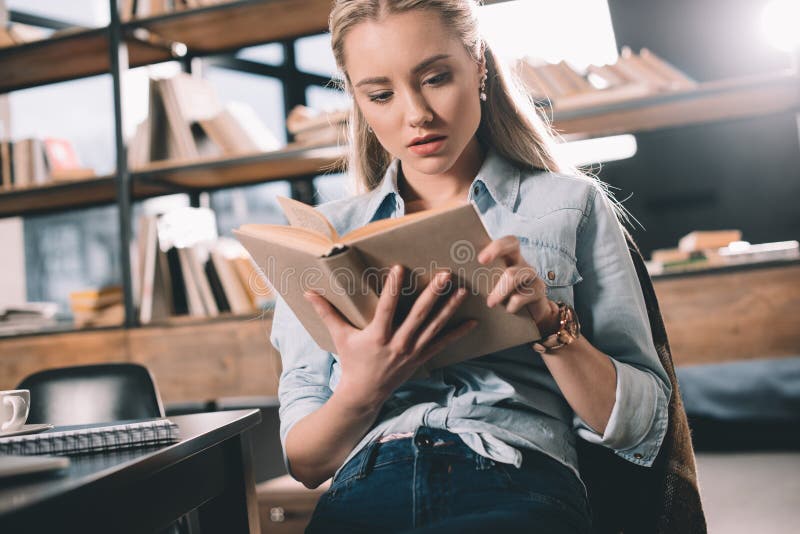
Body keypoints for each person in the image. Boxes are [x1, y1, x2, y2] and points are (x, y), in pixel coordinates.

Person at [269, 1, 672, 532]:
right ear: (357, 98)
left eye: (436, 78)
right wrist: (362, 387)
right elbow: (306, 462)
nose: (416, 114)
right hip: (368, 483)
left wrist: (550, 326)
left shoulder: (568, 205)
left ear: (478, 64)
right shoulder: (325, 238)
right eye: (381, 94)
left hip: (516, 477)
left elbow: (640, 426)